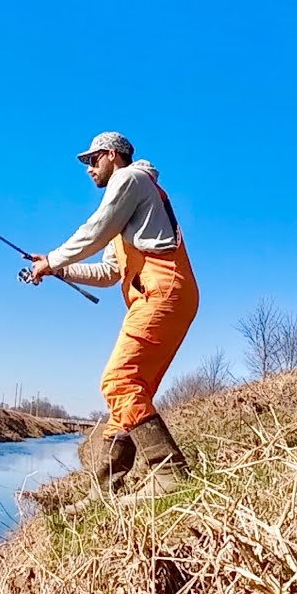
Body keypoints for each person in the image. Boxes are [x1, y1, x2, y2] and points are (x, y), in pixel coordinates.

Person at [27, 132, 199, 512]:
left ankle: (170, 475)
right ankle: (104, 490)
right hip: (166, 294)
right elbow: (107, 272)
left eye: (92, 161)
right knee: (128, 390)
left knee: (118, 382)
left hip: (161, 291)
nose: (88, 169)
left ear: (110, 156)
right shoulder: (132, 205)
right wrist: (59, 271)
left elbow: (95, 228)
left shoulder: (129, 180)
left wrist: (52, 260)